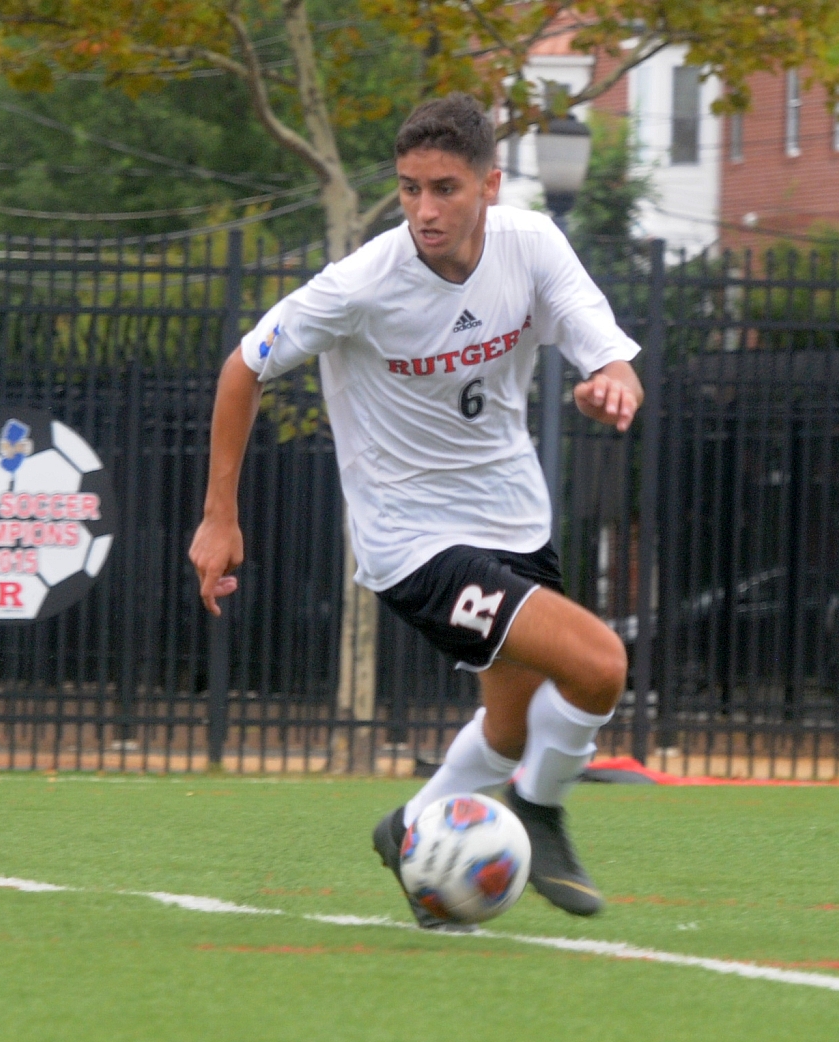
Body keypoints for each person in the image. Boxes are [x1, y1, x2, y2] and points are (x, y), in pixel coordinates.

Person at [188, 94, 642, 929]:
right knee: (600, 663)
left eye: (444, 188)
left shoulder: (532, 243)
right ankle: (540, 812)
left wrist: (611, 380)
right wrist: (220, 517)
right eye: (408, 189)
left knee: (508, 727)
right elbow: (241, 369)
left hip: (514, 517)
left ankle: (410, 829)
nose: (424, 210)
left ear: (490, 186)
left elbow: (601, 341)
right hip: (414, 540)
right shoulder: (362, 283)